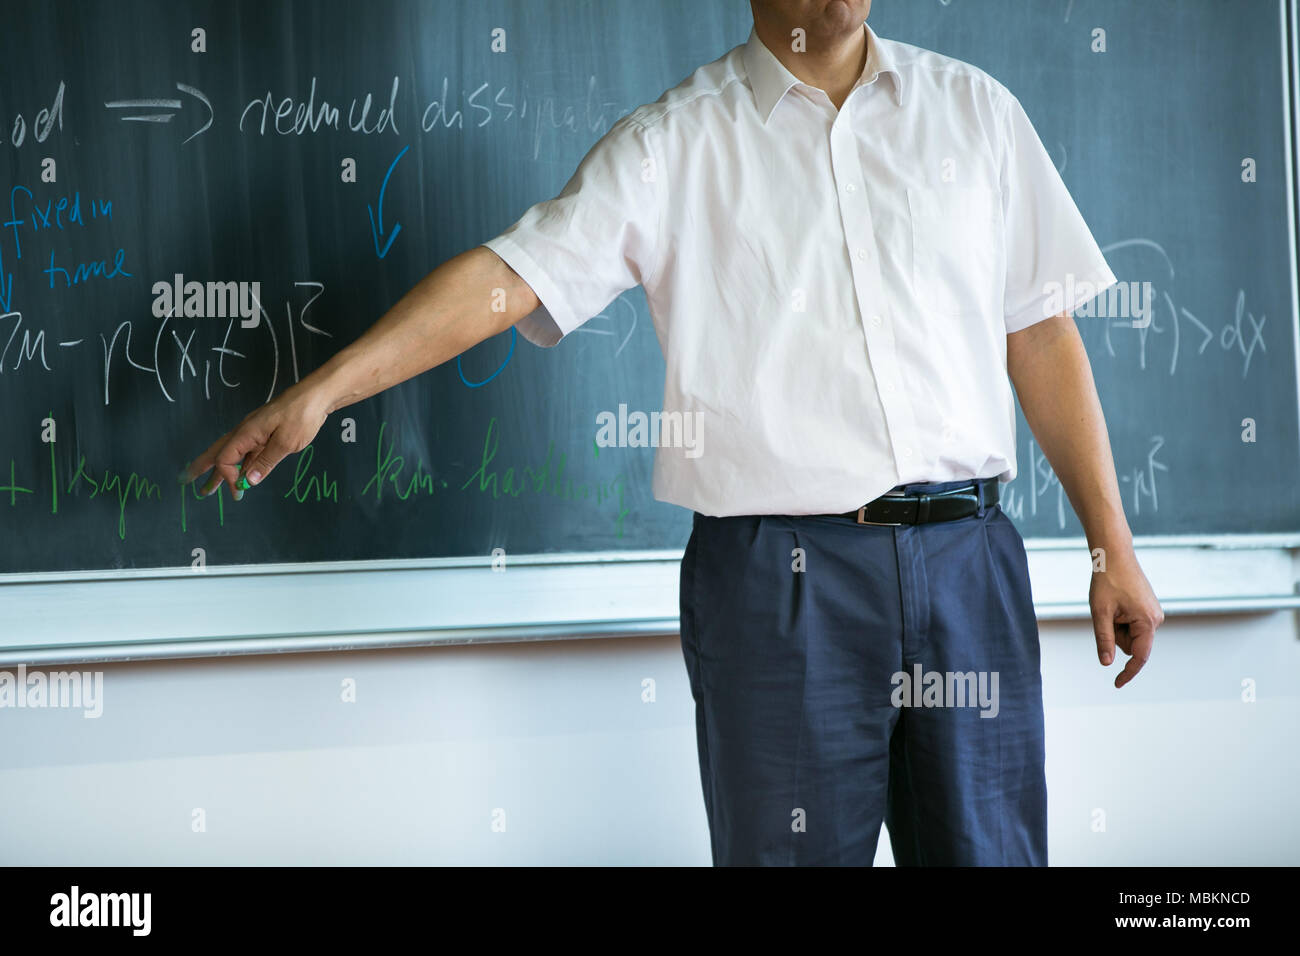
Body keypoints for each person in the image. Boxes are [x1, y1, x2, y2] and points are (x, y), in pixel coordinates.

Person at [179, 0, 1164, 865]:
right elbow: (507, 279)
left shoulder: (976, 114)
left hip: (968, 565)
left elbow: (1037, 331)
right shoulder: (674, 143)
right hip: (782, 583)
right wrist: (325, 390)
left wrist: (1109, 544)